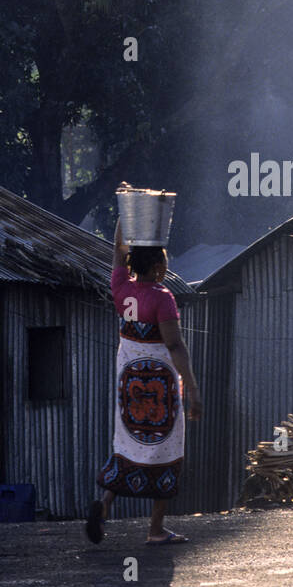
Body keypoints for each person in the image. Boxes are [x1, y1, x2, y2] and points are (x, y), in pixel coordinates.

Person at [87, 220, 203, 545]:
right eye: (165, 260)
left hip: (130, 390)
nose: (167, 265)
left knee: (129, 445)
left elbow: (117, 250)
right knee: (165, 450)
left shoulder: (121, 289)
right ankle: (155, 529)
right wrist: (192, 389)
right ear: (156, 266)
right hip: (160, 392)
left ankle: (106, 504)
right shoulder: (162, 298)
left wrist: (127, 215)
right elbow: (175, 346)